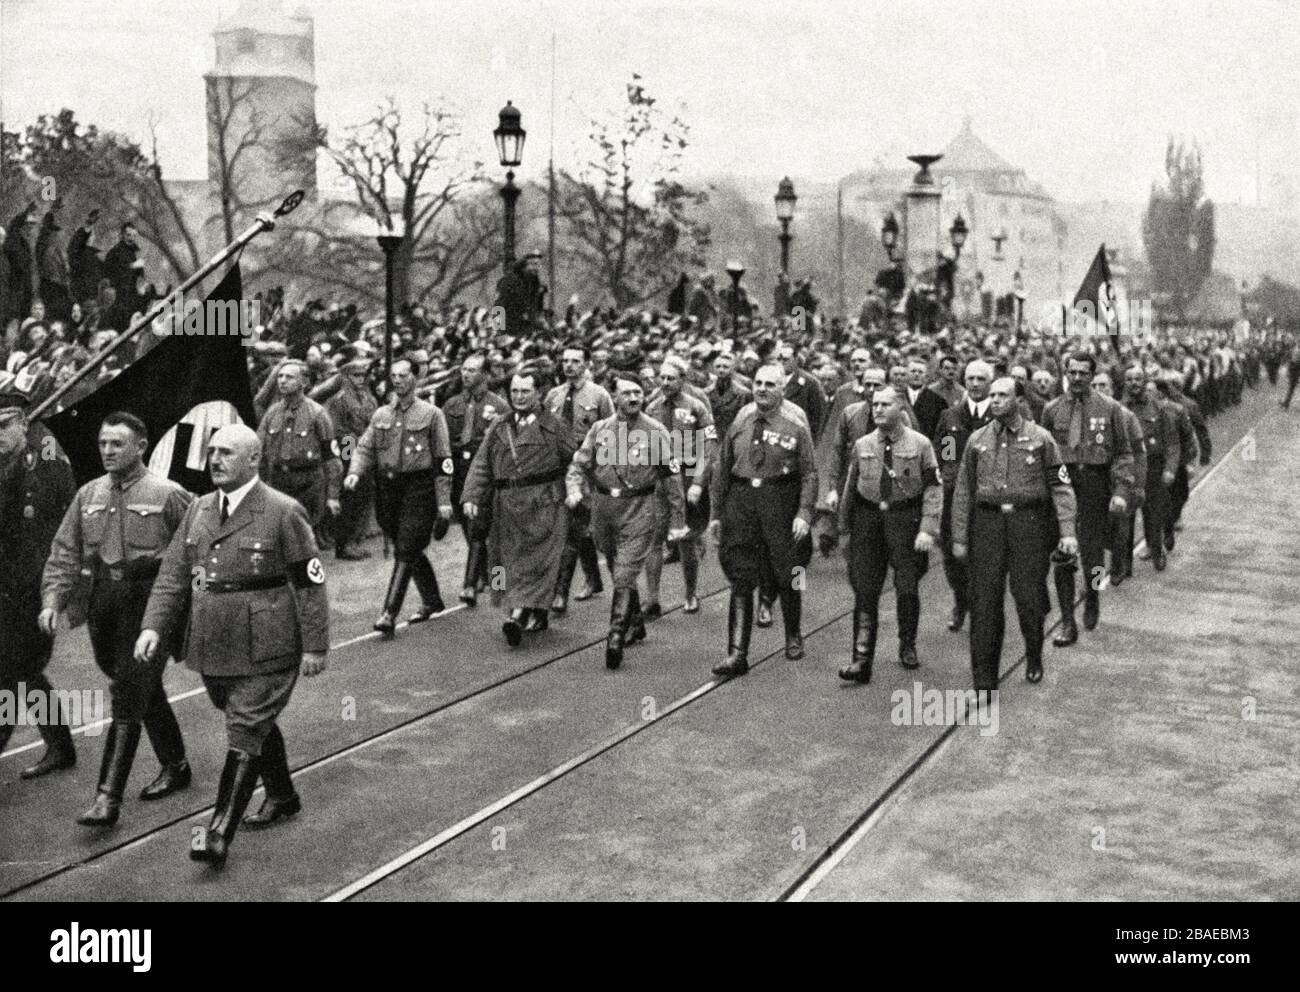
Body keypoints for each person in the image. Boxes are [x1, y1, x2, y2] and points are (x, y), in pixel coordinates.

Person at [134, 424, 330, 868]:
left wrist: (316, 645)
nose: (215, 459)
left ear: (253, 460)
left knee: (244, 727)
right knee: (244, 716)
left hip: (269, 642)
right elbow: (173, 576)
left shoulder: (283, 511)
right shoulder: (200, 509)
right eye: (211, 452)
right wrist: (153, 627)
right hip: (213, 643)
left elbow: (310, 583)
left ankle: (218, 831)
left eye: (226, 452)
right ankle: (282, 794)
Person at [40, 412, 193, 826]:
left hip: (152, 601)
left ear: (140, 446)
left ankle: (107, 798)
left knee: (128, 691)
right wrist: (53, 600)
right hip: (104, 601)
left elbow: (194, 551)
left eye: (117, 444)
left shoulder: (169, 494)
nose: (107, 451)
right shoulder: (88, 494)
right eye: (103, 443)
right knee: (130, 680)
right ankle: (176, 764)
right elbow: (65, 550)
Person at [951, 378, 1077, 691]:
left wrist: (1067, 532)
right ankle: (984, 679)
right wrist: (959, 537)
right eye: (991, 395)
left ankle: (1033, 652)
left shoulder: (1041, 439)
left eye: (1001, 395)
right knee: (984, 603)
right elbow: (964, 491)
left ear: (1018, 400)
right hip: (988, 526)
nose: (993, 400)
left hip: (1028, 526)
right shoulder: (977, 440)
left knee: (1030, 598)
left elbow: (1060, 487)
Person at [567, 378, 689, 668]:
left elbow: (672, 477)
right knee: (615, 564)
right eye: (627, 393)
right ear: (616, 398)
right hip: (605, 509)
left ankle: (615, 636)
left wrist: (677, 519)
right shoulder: (600, 429)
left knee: (624, 573)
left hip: (640, 508)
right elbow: (579, 464)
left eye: (638, 392)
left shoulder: (656, 431)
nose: (633, 397)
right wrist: (573, 488)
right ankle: (635, 623)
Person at [708, 363, 818, 676]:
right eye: (757, 382)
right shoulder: (742, 418)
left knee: (789, 571)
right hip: (743, 499)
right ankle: (737, 653)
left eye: (770, 384)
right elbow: (723, 466)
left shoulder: (795, 423)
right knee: (740, 574)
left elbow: (809, 472)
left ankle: (793, 633)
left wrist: (804, 513)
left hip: (779, 499)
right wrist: (717, 514)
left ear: (783, 389)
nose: (762, 389)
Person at [837, 386, 942, 683]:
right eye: (875, 405)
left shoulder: (921, 445)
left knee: (907, 586)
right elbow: (850, 487)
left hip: (905, 519)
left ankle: (907, 643)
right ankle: (861, 659)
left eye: (885, 404)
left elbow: (934, 488)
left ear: (900, 409)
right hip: (869, 519)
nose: (878, 409)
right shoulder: (863, 444)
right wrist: (844, 528)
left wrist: (927, 528)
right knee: (865, 589)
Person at [463, 370, 576, 645]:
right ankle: (523, 609)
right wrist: (471, 496)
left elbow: (575, 461)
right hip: (507, 506)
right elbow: (482, 464)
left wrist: (574, 491)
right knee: (504, 562)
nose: (519, 397)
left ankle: (518, 614)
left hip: (543, 505)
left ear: (538, 393)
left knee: (537, 562)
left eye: (525, 391)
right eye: (514, 391)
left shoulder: (554, 426)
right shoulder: (499, 426)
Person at [344, 358, 454, 636]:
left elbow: (443, 460)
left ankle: (388, 613)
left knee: (406, 546)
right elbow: (365, 447)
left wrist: (443, 501)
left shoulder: (431, 414)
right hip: (388, 490)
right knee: (408, 546)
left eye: (403, 375)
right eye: (393, 375)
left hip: (419, 487)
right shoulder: (381, 414)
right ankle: (432, 600)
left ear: (415, 379)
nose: (398, 380)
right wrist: (355, 471)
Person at [0, 392, 77, 777]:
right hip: (6, 581)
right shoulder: (7, 459)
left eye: (4, 424)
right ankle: (60, 745)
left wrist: (46, 590)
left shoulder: (43, 457)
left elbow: (49, 528)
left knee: (14, 668)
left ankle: (56, 746)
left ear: (23, 421)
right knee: (23, 669)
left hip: (31, 583)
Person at [1039, 351, 1135, 646]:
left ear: (1093, 376)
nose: (1077, 378)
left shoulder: (1111, 409)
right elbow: (1043, 454)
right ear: (1065, 373)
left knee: (1093, 556)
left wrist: (1120, 491)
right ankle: (1068, 622)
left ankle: (1092, 595)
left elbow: (1123, 454)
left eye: (1084, 373)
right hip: (1063, 484)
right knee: (1063, 553)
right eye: (1072, 372)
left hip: (1096, 485)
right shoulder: (1052, 410)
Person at [644, 356, 715, 615]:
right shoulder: (651, 408)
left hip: (686, 479)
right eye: (661, 377)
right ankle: (652, 598)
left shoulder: (697, 407)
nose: (665, 382)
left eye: (670, 378)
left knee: (685, 539)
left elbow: (708, 447)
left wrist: (698, 483)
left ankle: (691, 594)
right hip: (659, 480)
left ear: (682, 380)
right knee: (654, 539)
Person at [545, 344, 613, 612]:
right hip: (558, 469)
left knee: (572, 530)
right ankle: (594, 579)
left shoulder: (599, 396)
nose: (569, 365)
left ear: (586, 364)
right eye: (565, 361)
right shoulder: (554, 396)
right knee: (575, 527)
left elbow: (611, 432)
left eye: (575, 361)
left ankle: (560, 592)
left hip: (586, 469)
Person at [933, 360, 995, 631]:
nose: (975, 384)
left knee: (985, 556)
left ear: (990, 382)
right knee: (952, 554)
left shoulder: (998, 416)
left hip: (987, 498)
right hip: (954, 496)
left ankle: (982, 608)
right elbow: (945, 455)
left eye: (981, 379)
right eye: (970, 378)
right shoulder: (951, 416)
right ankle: (961, 601)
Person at [441, 352, 507, 606]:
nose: (465, 374)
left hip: (483, 471)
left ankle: (470, 585)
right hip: (458, 467)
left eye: (472, 370)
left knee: (479, 524)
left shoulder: (499, 406)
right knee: (468, 524)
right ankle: (484, 574)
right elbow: (444, 442)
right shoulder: (452, 405)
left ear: (485, 375)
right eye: (463, 370)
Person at [258, 360, 342, 547]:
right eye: (280, 376)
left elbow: (331, 459)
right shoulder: (272, 413)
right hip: (278, 482)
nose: (282, 381)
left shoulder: (318, 414)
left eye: (289, 377)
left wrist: (333, 496)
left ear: (303, 383)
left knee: (302, 538)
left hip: (308, 484)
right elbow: (259, 454)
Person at [1122, 367, 1180, 573]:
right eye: (1129, 379)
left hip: (1153, 467)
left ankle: (1157, 552)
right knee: (1125, 517)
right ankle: (1124, 565)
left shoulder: (1159, 407)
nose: (1134, 383)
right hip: (1127, 468)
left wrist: (1170, 469)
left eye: (1138, 379)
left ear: (1144, 381)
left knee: (1153, 513)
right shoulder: (1118, 408)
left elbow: (1172, 441)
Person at [324, 356, 378, 560]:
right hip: (349, 450)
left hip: (367, 451)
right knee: (350, 499)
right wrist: (351, 453)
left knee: (364, 497)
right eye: (356, 375)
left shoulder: (368, 398)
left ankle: (356, 541)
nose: (361, 379)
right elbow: (335, 429)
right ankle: (344, 544)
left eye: (363, 375)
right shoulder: (338, 400)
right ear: (345, 376)